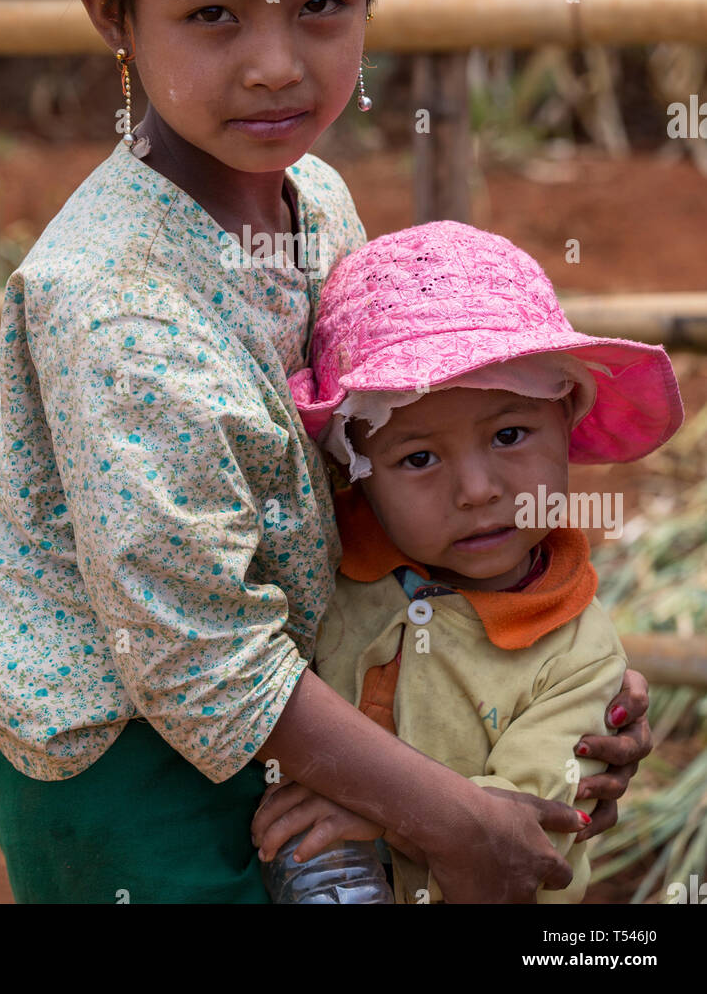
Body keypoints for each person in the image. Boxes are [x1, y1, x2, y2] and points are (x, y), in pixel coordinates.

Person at [0, 0, 653, 905]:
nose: (274, 63)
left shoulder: (314, 203)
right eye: (213, 14)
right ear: (113, 12)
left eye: (319, 5)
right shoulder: (115, 302)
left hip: (289, 699)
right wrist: (456, 822)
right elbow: (198, 662)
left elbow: (381, 456)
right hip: (123, 763)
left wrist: (556, 670)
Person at [252, 220, 683, 903]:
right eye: (418, 458)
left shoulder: (579, 657)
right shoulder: (322, 576)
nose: (478, 490)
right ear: (353, 470)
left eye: (510, 435)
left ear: (567, 424)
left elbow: (537, 829)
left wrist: (385, 810)